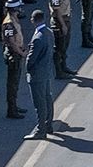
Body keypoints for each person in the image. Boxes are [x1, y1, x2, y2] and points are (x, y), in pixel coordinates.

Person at [24, 9, 55, 139]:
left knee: (39, 103)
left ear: (33, 20)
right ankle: (48, 125)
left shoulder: (38, 38)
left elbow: (31, 59)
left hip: (37, 74)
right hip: (47, 71)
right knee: (48, 98)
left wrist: (28, 68)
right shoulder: (49, 32)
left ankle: (40, 130)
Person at [0, 0, 27, 119]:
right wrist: (21, 53)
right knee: (12, 83)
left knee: (15, 82)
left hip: (17, 52)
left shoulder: (13, 20)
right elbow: (11, 42)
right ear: (15, 9)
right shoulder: (9, 23)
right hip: (14, 55)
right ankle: (11, 110)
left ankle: (14, 106)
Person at [47, 0, 75, 79]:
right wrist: (62, 25)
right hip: (59, 21)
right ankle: (59, 72)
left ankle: (64, 67)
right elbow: (56, 10)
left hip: (66, 18)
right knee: (59, 47)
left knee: (65, 45)